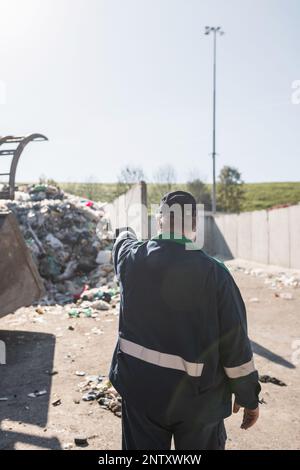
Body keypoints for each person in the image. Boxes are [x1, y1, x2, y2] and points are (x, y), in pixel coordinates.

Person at [109, 190, 260, 450]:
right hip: (198, 402)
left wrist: (124, 231)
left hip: (140, 390)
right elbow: (235, 345)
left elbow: (121, 243)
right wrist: (249, 396)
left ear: (159, 221)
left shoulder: (131, 260)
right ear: (194, 226)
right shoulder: (216, 274)